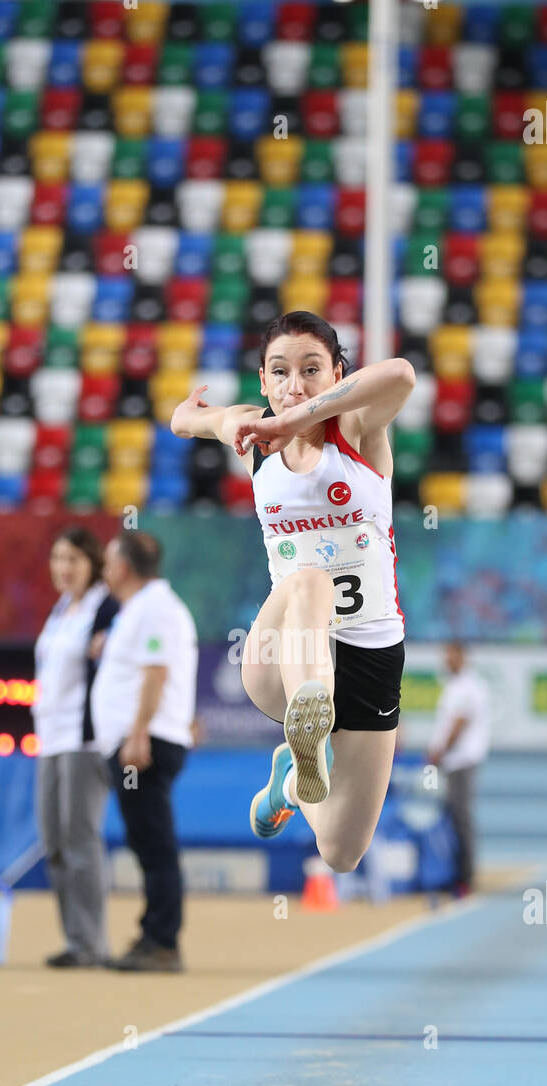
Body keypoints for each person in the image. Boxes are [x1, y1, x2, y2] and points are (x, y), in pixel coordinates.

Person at [171, 310, 415, 874]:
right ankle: (309, 713)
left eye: (311, 370)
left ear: (336, 375)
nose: (294, 384)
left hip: (370, 653)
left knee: (341, 852)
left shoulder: (356, 427)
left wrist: (296, 418)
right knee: (310, 581)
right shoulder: (253, 430)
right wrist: (202, 419)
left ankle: (288, 777)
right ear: (262, 379)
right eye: (279, 372)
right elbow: (187, 420)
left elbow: (401, 374)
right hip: (278, 660)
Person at [91, 530, 198, 973]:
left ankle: (161, 940)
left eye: (108, 562)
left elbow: (155, 672)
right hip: (144, 737)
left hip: (145, 743)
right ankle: (156, 935)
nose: (103, 571)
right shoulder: (142, 609)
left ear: (121, 568)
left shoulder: (153, 608)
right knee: (148, 842)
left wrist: (138, 733)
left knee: (154, 844)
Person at [33, 527, 118, 968]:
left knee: (81, 841)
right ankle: (74, 938)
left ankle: (92, 943)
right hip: (49, 739)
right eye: (58, 558)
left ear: (93, 565)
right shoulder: (62, 609)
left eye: (74, 560)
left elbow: (127, 658)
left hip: (83, 740)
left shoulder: (106, 607)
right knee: (55, 843)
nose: (64, 568)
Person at [428, 643, 491, 896]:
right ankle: (457, 872)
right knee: (455, 817)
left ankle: (465, 876)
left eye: (451, 656)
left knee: (460, 817)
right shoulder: (456, 685)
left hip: (460, 761)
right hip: (454, 761)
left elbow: (459, 723)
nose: (446, 661)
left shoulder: (467, 687)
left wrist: (439, 752)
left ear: (462, 657)